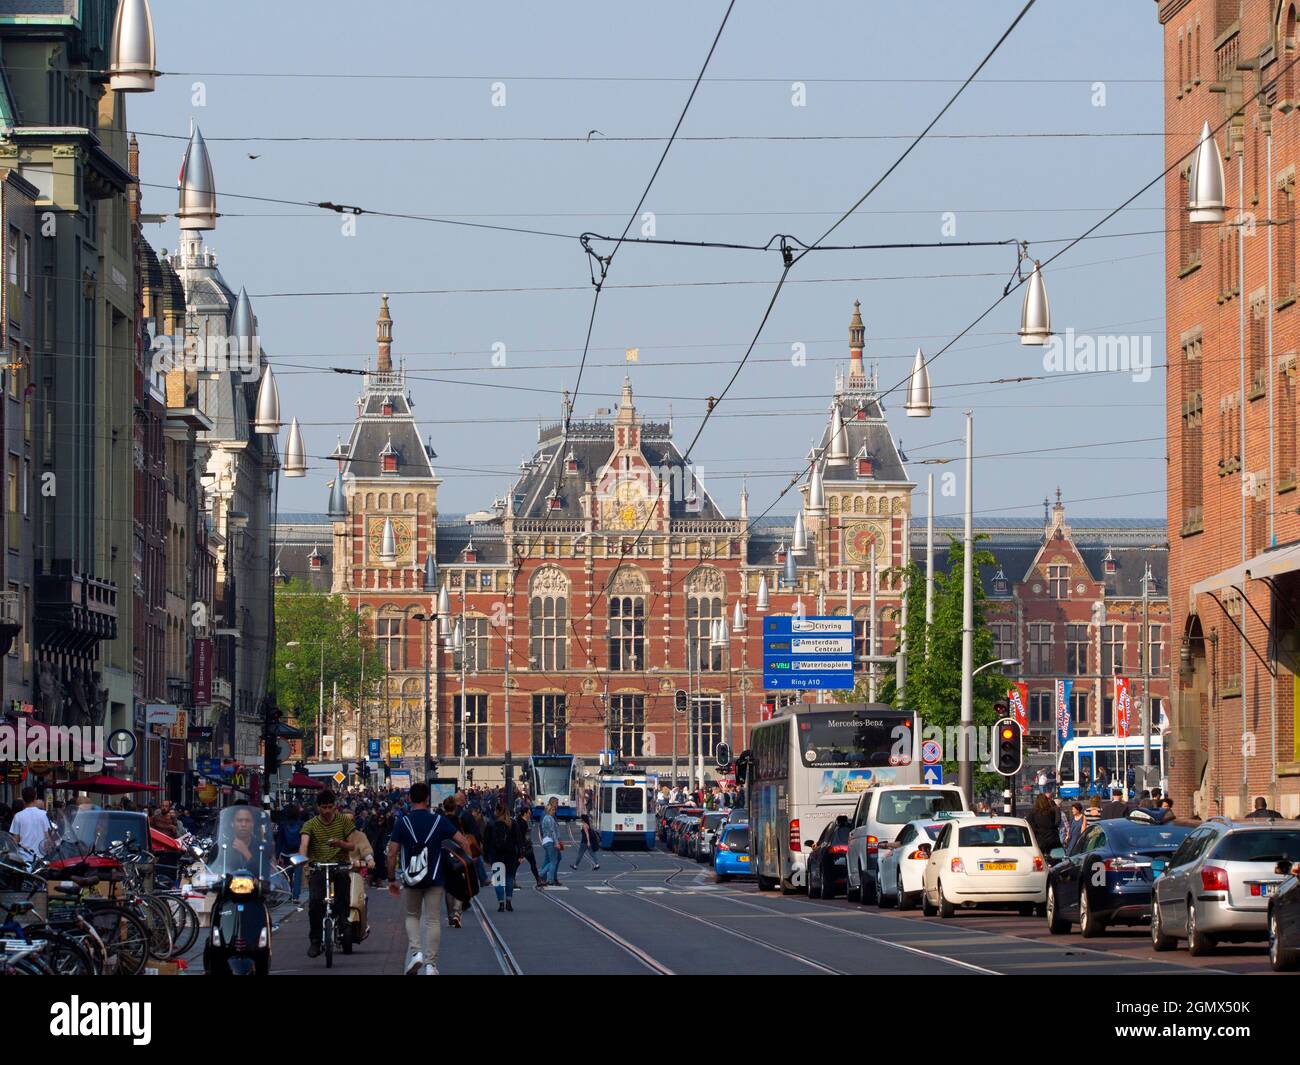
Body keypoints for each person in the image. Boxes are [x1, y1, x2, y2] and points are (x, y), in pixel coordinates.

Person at [386, 782, 469, 976]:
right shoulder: (439, 821)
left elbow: (392, 853)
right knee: (433, 920)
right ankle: (431, 965)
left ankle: (416, 953)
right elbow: (463, 841)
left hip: (411, 877)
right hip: (435, 877)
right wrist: (466, 865)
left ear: (409, 799)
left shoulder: (402, 822)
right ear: (428, 799)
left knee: (412, 915)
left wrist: (391, 879)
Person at [298, 791, 356, 958]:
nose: (327, 811)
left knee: (343, 889)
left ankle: (343, 920)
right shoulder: (310, 824)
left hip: (339, 865)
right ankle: (315, 940)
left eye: (330, 807)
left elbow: (352, 845)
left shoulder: (344, 821)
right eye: (324, 808)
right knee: (315, 902)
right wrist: (304, 860)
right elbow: (304, 844)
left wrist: (340, 843)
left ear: (335, 806)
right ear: (318, 808)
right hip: (319, 866)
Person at [484, 803, 520, 912]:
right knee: (509, 878)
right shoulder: (512, 823)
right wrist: (520, 853)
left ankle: (501, 903)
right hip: (510, 855)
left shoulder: (491, 824)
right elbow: (518, 840)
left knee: (498, 880)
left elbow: (486, 842)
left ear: (497, 811)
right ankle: (509, 901)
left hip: (496, 855)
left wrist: (486, 855)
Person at [9, 787, 54, 864]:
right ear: (35, 797)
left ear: (23, 799)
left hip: (23, 858)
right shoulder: (44, 814)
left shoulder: (18, 816)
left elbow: (15, 840)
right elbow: (48, 838)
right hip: (40, 858)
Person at [276, 804, 305, 901]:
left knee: (287, 875)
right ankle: (295, 896)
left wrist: (277, 855)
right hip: (298, 853)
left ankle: (288, 894)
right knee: (297, 876)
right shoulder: (302, 824)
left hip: (286, 854)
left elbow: (280, 840)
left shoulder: (283, 824)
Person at [514, 806, 544, 888]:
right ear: (525, 813)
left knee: (532, 863)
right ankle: (538, 880)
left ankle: (538, 879)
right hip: (524, 847)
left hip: (527, 846)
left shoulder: (525, 821)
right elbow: (520, 837)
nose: (530, 814)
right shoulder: (521, 823)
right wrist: (522, 849)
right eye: (529, 812)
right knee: (517, 864)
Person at [1026, 792, 1062, 857]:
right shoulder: (1051, 811)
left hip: (1040, 841)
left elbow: (1028, 825)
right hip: (1052, 840)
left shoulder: (1033, 813)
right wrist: (1055, 806)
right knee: (1056, 861)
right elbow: (1057, 822)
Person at [539, 798, 562, 886]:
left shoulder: (550, 816)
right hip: (550, 841)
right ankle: (545, 877)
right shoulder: (548, 817)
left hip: (548, 841)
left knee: (550, 860)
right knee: (553, 861)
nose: (557, 805)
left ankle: (547, 878)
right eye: (556, 803)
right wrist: (556, 842)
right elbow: (552, 831)